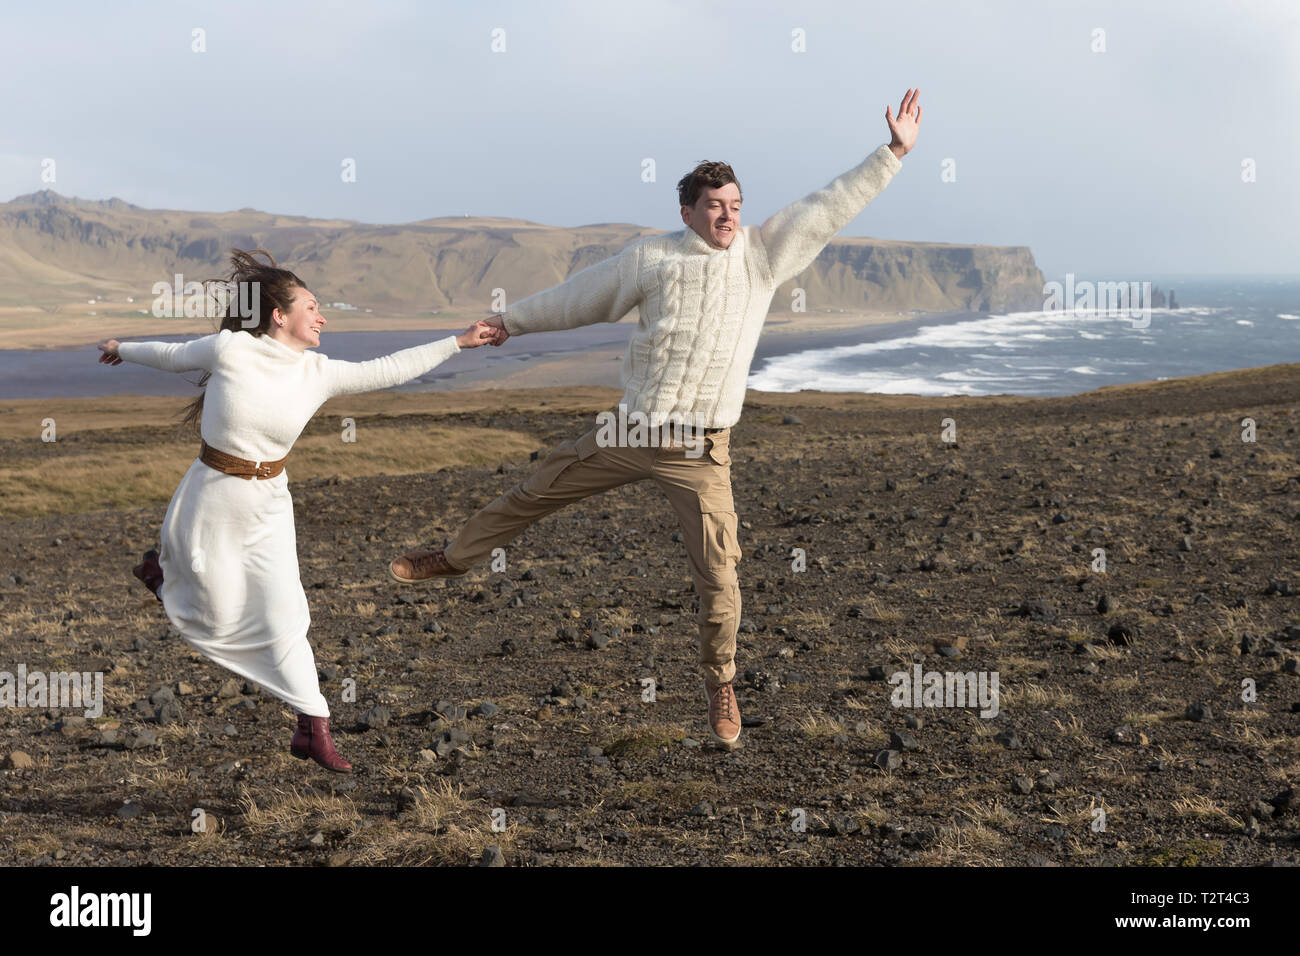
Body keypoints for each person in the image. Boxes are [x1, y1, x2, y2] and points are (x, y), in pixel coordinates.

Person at [390, 90, 923, 747]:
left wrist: (892, 152)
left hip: (699, 452)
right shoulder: (654, 259)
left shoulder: (761, 258)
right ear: (687, 211)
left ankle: (720, 685)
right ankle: (454, 557)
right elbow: (582, 294)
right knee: (532, 492)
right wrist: (512, 322)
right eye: (715, 206)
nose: (727, 216)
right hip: (628, 431)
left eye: (735, 206)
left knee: (720, 575)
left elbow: (827, 207)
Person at [97, 249, 501, 772]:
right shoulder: (231, 350)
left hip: (269, 505)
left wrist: (458, 341)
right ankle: (161, 577)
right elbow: (171, 354)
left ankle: (313, 727)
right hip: (214, 497)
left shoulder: (318, 372)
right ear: (279, 315)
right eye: (312, 307)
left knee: (287, 615)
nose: (322, 317)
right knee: (216, 615)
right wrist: (120, 348)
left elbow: (389, 369)